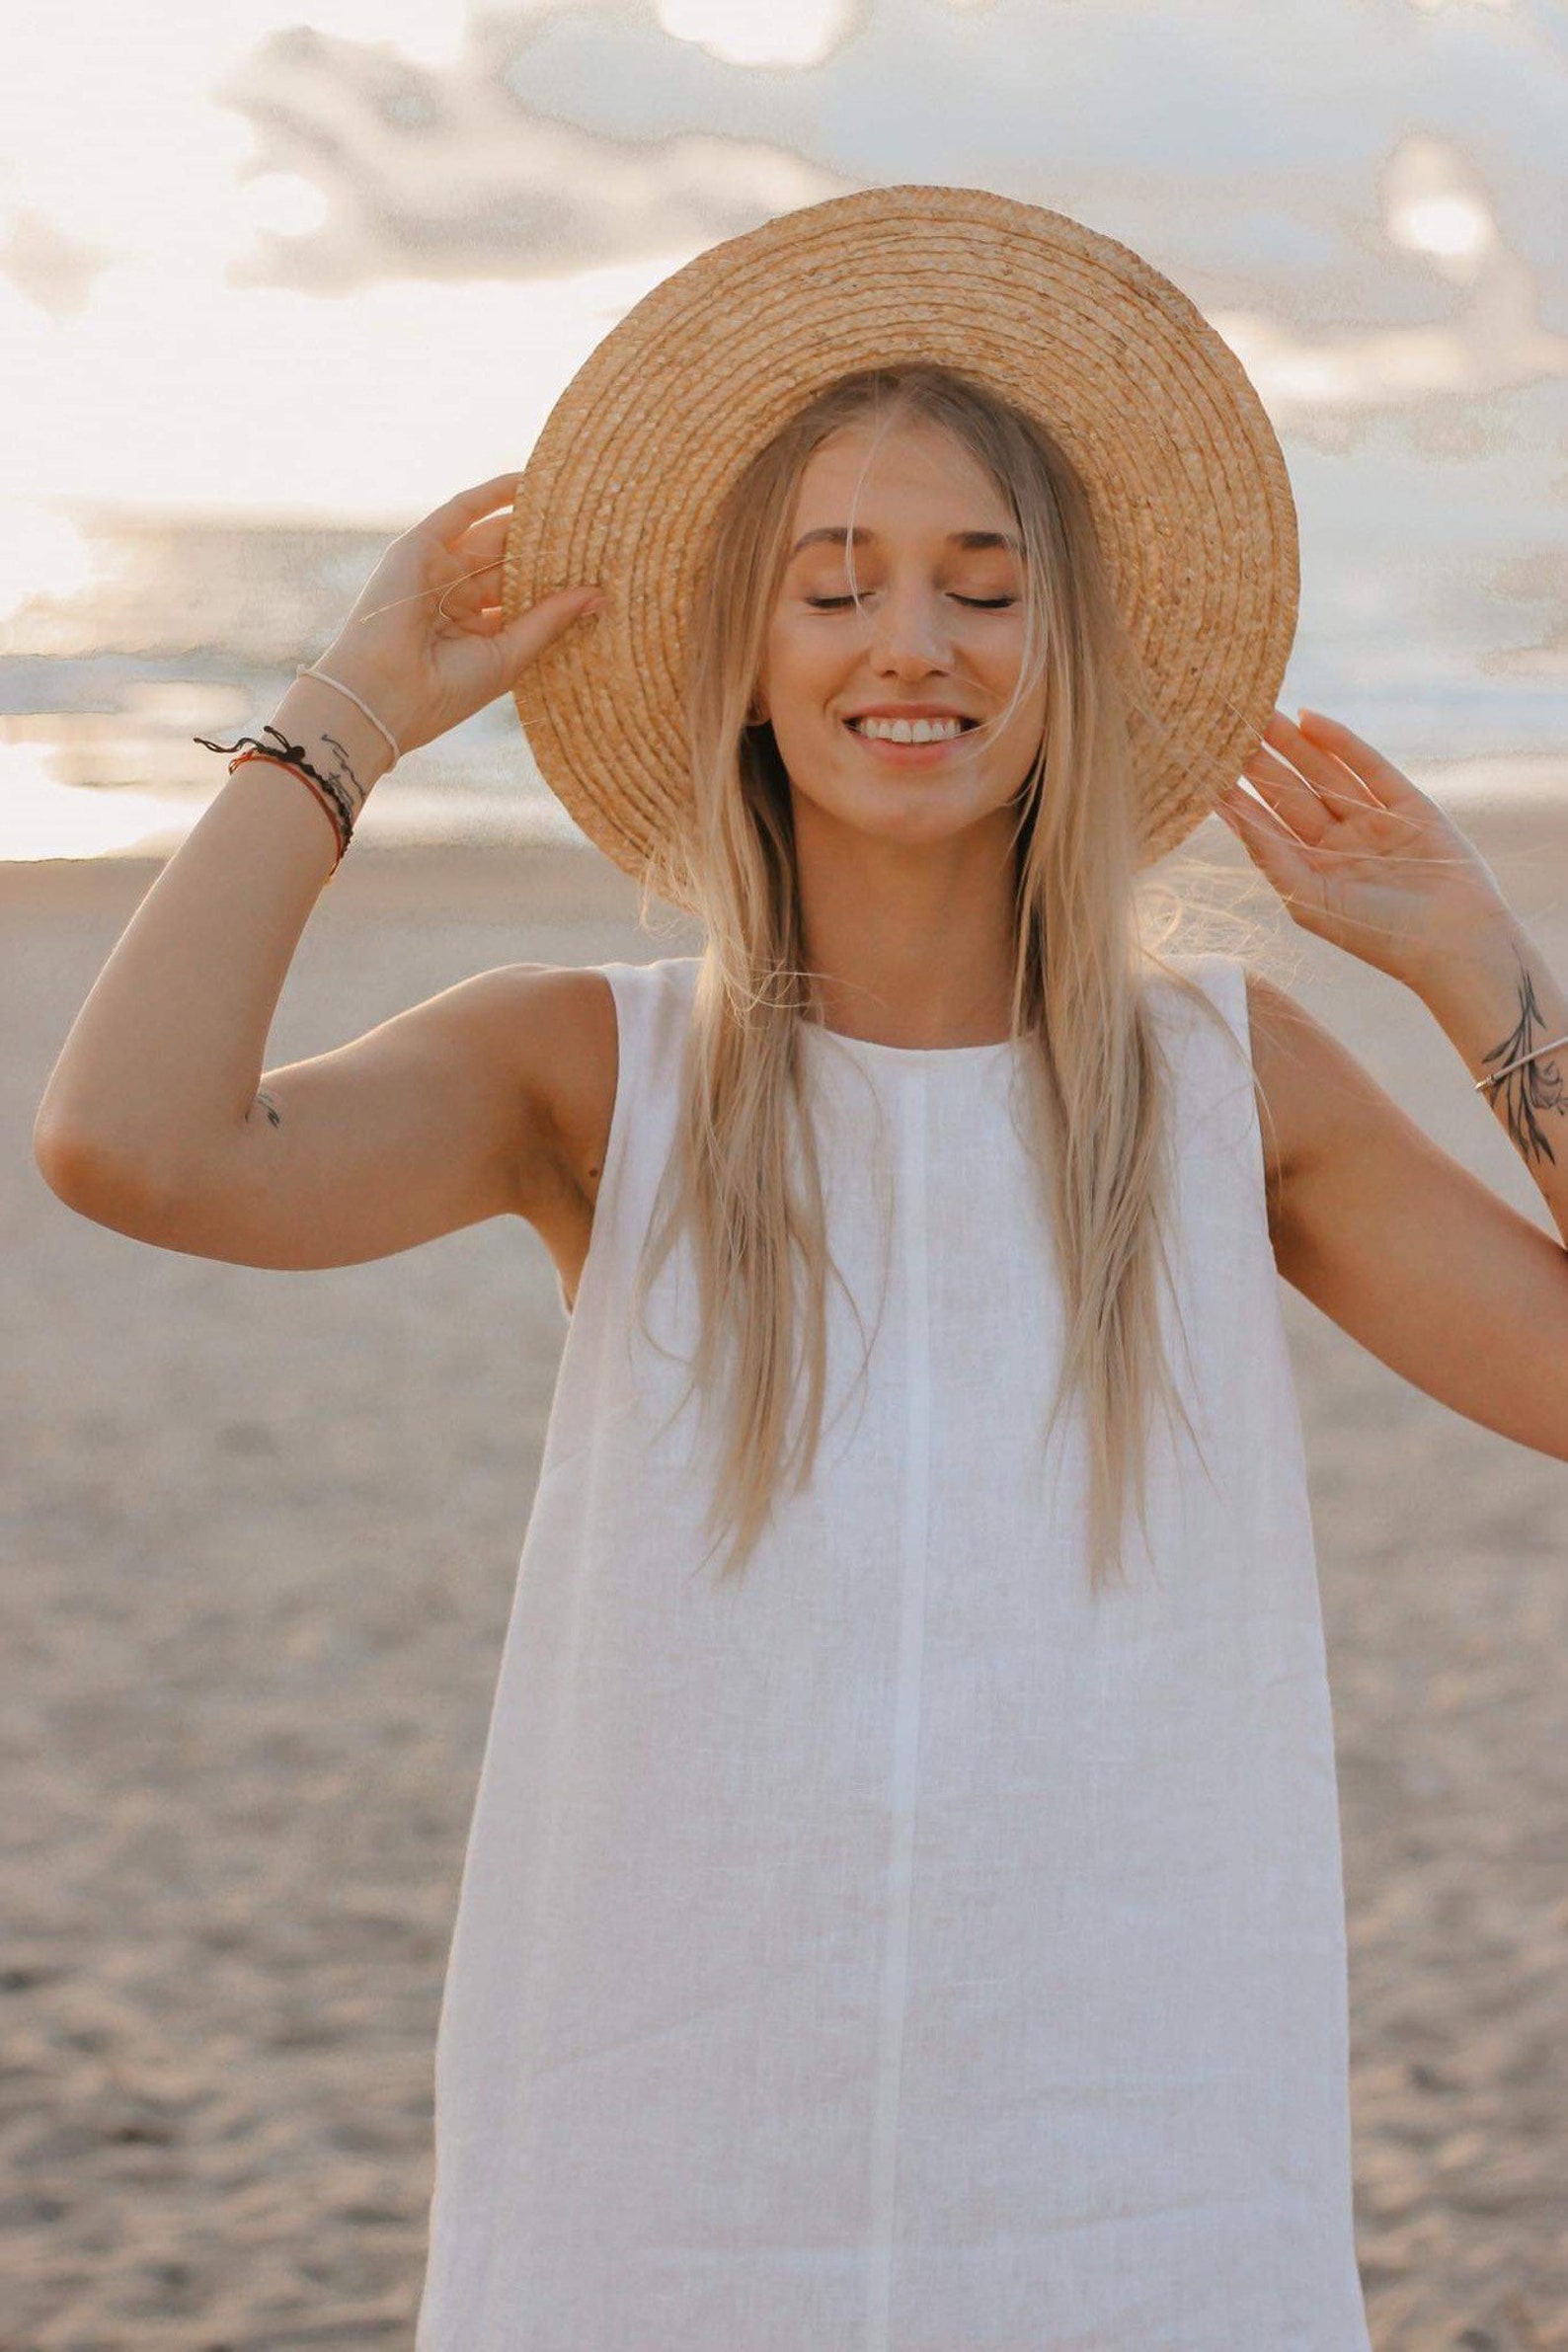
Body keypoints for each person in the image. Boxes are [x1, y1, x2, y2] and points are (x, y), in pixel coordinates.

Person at [33, 187, 1568, 2350]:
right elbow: (133, 1144)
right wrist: (352, 713)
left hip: (1130, 2166)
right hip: (671, 2170)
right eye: (826, 588)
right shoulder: (586, 1065)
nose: (906, 649)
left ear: (1066, 653)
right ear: (747, 661)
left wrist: (1472, 966)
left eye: (981, 588)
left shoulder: (1226, 1087)